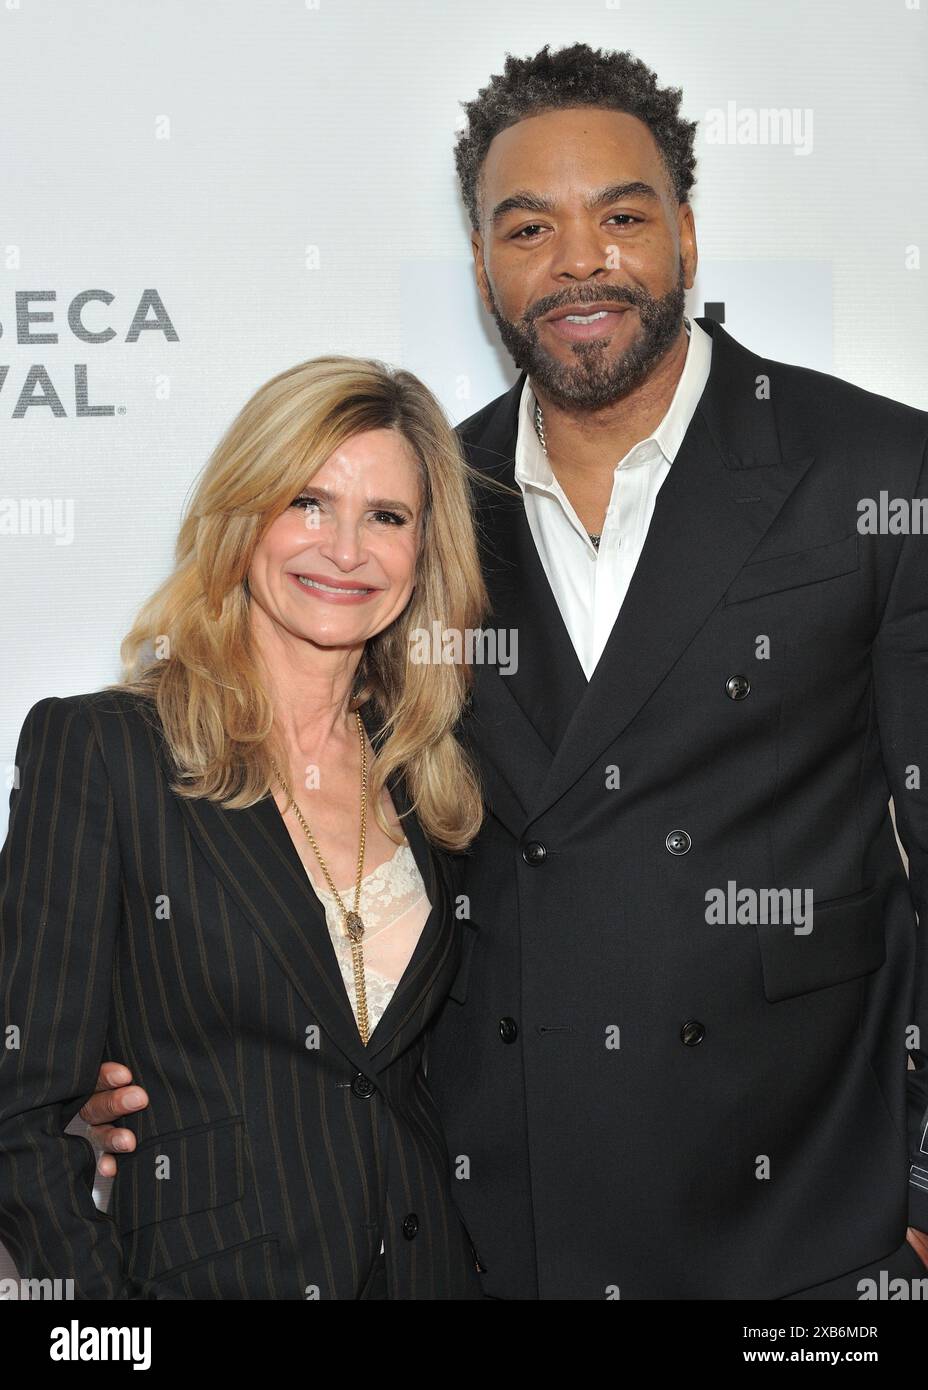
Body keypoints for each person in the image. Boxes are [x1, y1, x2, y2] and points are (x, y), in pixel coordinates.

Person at [86, 42, 928, 1299]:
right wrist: (134, 1064)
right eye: (527, 225)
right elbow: (307, 824)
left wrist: (916, 1202)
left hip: (803, 1218)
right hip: (491, 1222)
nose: (578, 261)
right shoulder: (417, 507)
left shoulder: (871, 470)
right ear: (480, 257)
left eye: (621, 216)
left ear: (685, 234)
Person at [0, 353, 496, 1299]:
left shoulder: (430, 780)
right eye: (308, 502)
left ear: (425, 552)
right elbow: (21, 1110)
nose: (345, 549)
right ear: (243, 518)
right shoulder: (104, 752)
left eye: (385, 517)